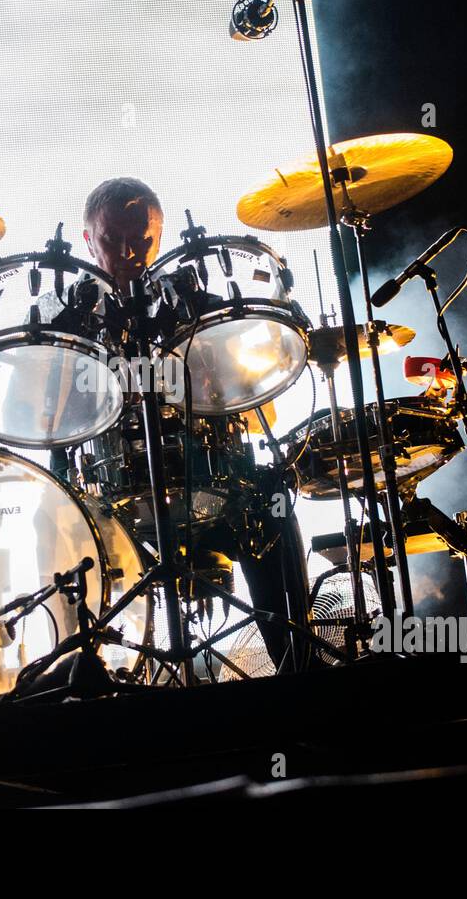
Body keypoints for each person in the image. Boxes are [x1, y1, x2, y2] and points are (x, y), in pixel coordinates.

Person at [70, 177, 312, 674]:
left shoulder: (193, 305)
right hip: (111, 503)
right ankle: (77, 681)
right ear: (88, 238)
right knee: (50, 518)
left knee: (272, 495)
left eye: (141, 242)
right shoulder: (68, 318)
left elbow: (256, 401)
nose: (127, 254)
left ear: (159, 238)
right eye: (112, 241)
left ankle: (300, 672)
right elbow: (53, 424)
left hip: (213, 488)